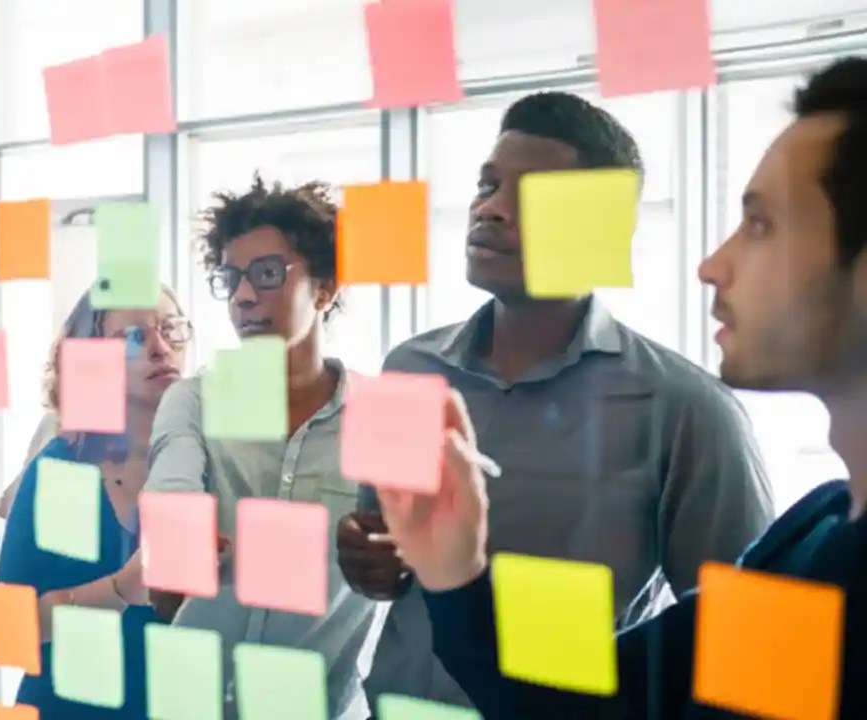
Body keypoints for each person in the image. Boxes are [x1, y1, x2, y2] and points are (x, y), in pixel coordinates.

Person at [379, 57, 867, 719]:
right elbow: (616, 701)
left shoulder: (688, 408)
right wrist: (453, 573)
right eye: (487, 186)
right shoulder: (817, 532)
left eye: (761, 225)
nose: (711, 265)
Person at [144, 176, 376, 719]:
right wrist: (178, 538)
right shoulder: (193, 401)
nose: (244, 296)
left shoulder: (379, 417)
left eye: (268, 274)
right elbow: (171, 487)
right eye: (231, 279)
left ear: (325, 288)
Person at [0, 286, 193, 718]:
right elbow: (8, 630)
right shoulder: (63, 468)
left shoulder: (214, 459)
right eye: (134, 338)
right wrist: (120, 588)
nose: (161, 348)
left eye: (170, 328)